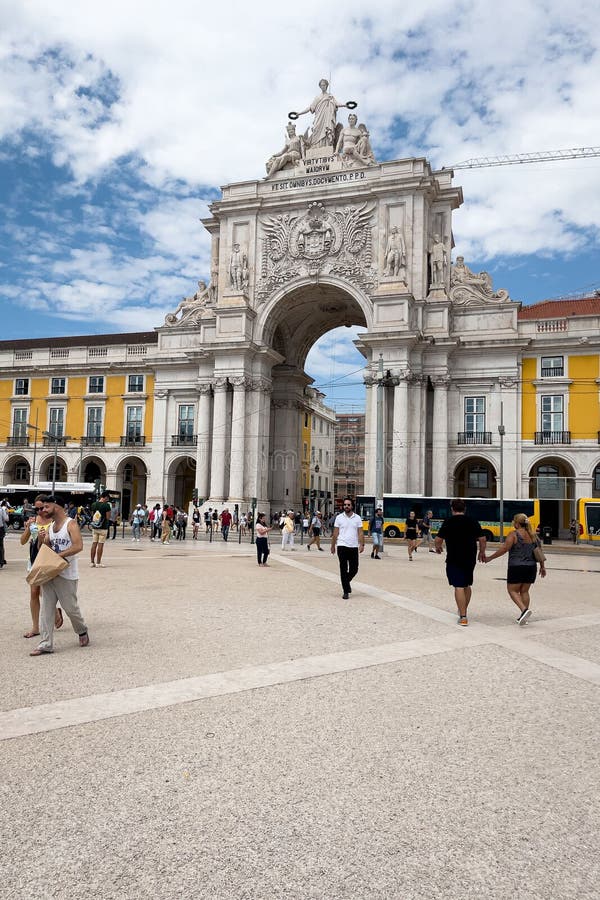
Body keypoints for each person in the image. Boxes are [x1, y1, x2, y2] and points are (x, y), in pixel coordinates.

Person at [30, 495, 89, 656]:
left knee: (71, 609)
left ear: (56, 506)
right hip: (51, 572)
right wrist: (41, 540)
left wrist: (59, 556)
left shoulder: (71, 524)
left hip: (67, 574)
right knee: (47, 610)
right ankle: (46, 643)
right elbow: (46, 546)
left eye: (46, 507)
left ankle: (82, 630)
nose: (42, 510)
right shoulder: (51, 526)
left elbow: (78, 546)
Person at [484, 513, 546, 625]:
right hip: (531, 567)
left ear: (516, 523)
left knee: (512, 590)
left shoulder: (514, 534)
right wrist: (542, 566)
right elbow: (539, 551)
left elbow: (504, 548)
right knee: (524, 591)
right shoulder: (533, 535)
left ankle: (524, 610)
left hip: (516, 567)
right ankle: (524, 617)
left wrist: (490, 558)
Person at [435, 499, 487, 626]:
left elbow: (438, 538)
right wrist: (482, 552)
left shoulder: (448, 521)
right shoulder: (472, 521)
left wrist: (438, 547)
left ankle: (463, 616)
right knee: (467, 584)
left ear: (452, 509)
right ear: (465, 509)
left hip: (454, 557)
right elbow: (482, 539)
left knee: (458, 585)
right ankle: (463, 609)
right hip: (469, 557)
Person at [21, 494, 63, 637]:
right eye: (36, 508)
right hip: (33, 560)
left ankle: (56, 611)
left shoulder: (53, 521)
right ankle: (35, 627)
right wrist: (28, 527)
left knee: (46, 593)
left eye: (42, 508)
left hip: (47, 560)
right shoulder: (33, 520)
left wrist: (44, 537)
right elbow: (22, 541)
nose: (39, 511)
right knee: (34, 593)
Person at [331, 497, 364, 599]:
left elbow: (360, 532)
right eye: (345, 505)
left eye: (348, 505)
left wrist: (362, 544)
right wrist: (333, 545)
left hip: (353, 546)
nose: (346, 506)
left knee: (354, 569)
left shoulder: (357, 518)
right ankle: (346, 591)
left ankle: (346, 582)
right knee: (343, 568)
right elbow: (335, 533)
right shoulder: (339, 518)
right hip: (342, 545)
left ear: (352, 506)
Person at [90, 491, 112, 568]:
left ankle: (92, 562)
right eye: (107, 498)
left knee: (94, 543)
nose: (108, 499)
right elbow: (108, 517)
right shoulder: (106, 505)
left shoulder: (93, 504)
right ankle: (98, 563)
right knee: (100, 545)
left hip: (95, 526)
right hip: (103, 527)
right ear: (105, 497)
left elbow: (93, 515)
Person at [0, 500, 8, 568]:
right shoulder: (2, 509)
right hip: (0, 528)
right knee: (1, 545)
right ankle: (1, 561)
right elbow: (6, 519)